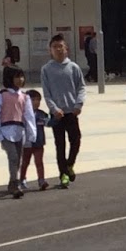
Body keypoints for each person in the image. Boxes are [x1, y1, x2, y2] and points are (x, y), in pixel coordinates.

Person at [40, 33, 87, 188]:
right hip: (57, 115)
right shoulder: (46, 69)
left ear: (66, 48)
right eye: (55, 47)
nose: (58, 49)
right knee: (60, 145)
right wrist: (53, 109)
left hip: (71, 112)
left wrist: (78, 105)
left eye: (61, 46)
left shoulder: (73, 68)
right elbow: (46, 93)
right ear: (50, 50)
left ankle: (69, 165)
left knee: (76, 140)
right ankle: (63, 175)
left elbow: (81, 87)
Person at [0, 68, 37, 199]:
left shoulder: (25, 97)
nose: (20, 80)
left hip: (19, 132)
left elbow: (29, 116)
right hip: (6, 132)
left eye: (22, 77)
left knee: (18, 159)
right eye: (17, 77)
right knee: (13, 157)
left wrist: (31, 134)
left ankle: (13, 181)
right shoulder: (2, 94)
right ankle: (14, 183)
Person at [19, 88, 52, 190]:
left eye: (38, 100)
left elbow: (49, 122)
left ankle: (41, 180)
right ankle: (22, 179)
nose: (36, 102)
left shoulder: (41, 114)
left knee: (39, 162)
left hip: (38, 142)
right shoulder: (22, 114)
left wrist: (55, 117)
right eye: (33, 100)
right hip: (26, 143)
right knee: (25, 162)